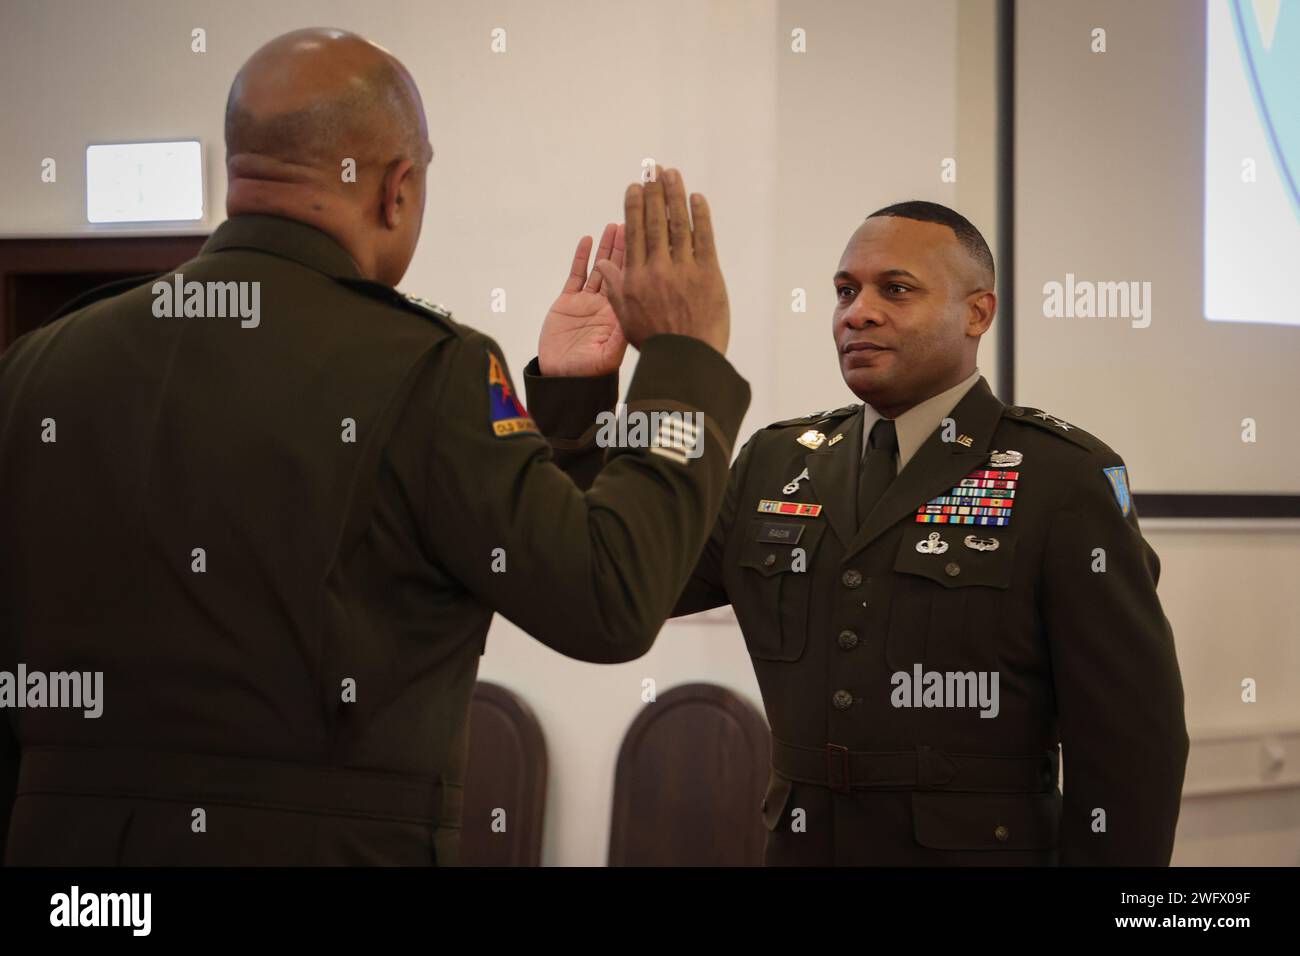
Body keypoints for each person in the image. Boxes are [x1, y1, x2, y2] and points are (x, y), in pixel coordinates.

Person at [0, 28, 748, 866]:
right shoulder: (427, 368)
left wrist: (571, 398)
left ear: (237, 168)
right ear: (397, 190)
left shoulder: (40, 363)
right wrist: (683, 366)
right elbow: (607, 594)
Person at [529, 200, 1189, 865]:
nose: (858, 312)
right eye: (846, 291)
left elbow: (1132, 743)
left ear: (977, 313)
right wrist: (577, 396)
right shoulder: (777, 461)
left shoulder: (1061, 479)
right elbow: (615, 573)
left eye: (895, 289)